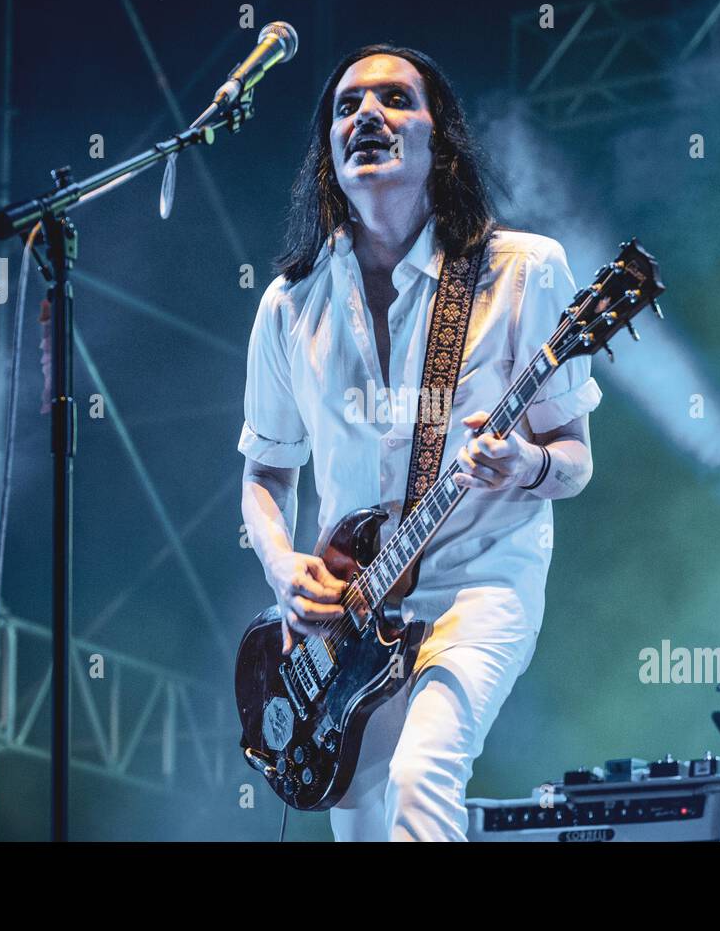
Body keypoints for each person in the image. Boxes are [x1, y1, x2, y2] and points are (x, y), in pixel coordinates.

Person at [237, 44, 601, 840]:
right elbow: (266, 472)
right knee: (367, 825)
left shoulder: (523, 271)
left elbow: (575, 460)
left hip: (479, 587)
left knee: (420, 775)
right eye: (346, 107)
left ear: (443, 141)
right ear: (328, 154)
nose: (367, 115)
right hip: (350, 618)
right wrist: (280, 565)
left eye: (395, 100)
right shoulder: (288, 304)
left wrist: (526, 464)